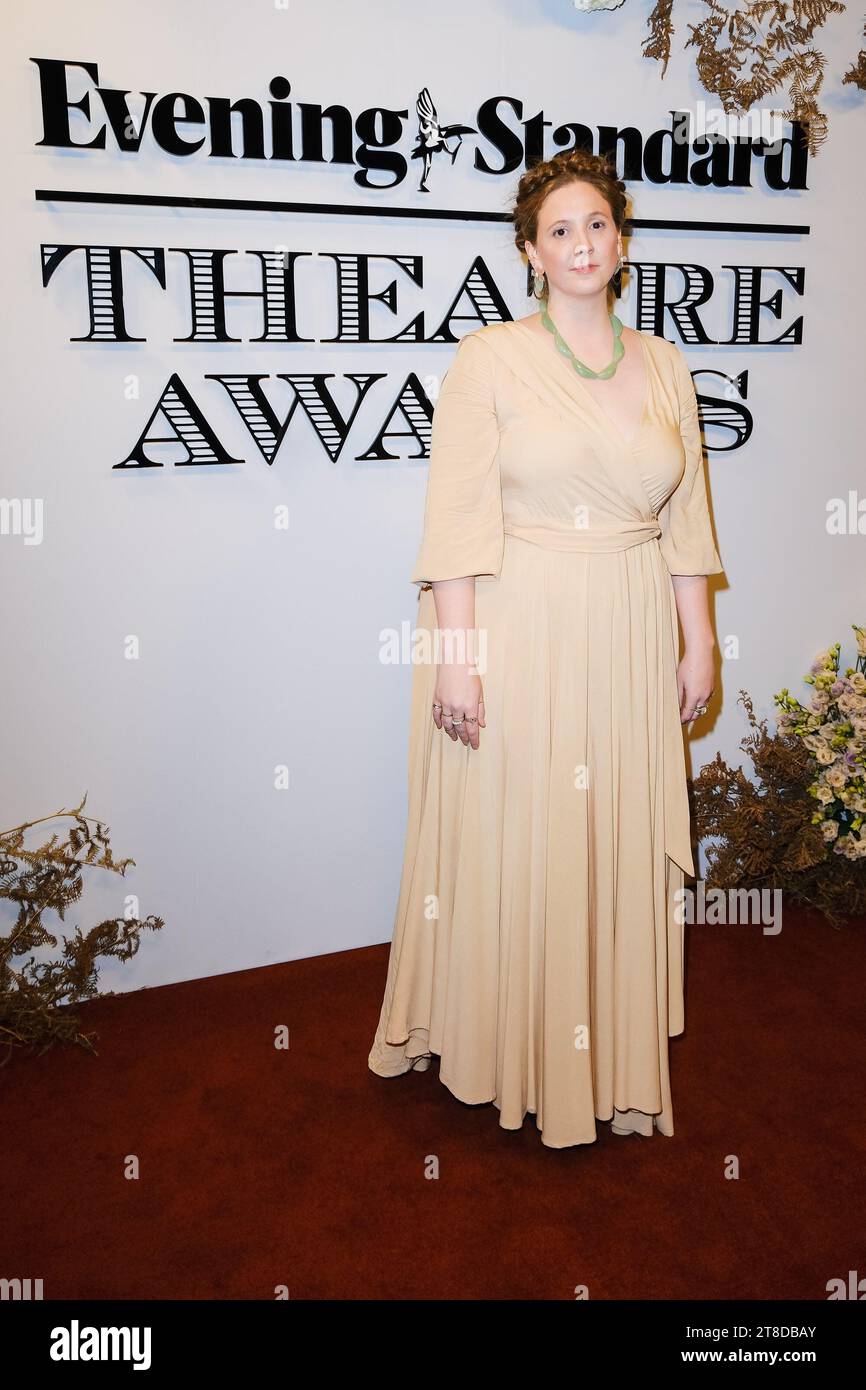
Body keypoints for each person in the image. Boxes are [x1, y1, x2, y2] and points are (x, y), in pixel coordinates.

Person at [367, 149, 724, 1149]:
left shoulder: (664, 364)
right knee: (517, 836)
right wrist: (454, 655)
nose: (581, 243)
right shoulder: (488, 357)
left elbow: (685, 520)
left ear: (621, 242)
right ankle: (502, 1044)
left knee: (603, 832)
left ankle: (602, 1046)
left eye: (596, 225)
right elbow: (456, 521)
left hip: (626, 625)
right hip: (517, 624)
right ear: (529, 251)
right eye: (559, 229)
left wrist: (698, 640)